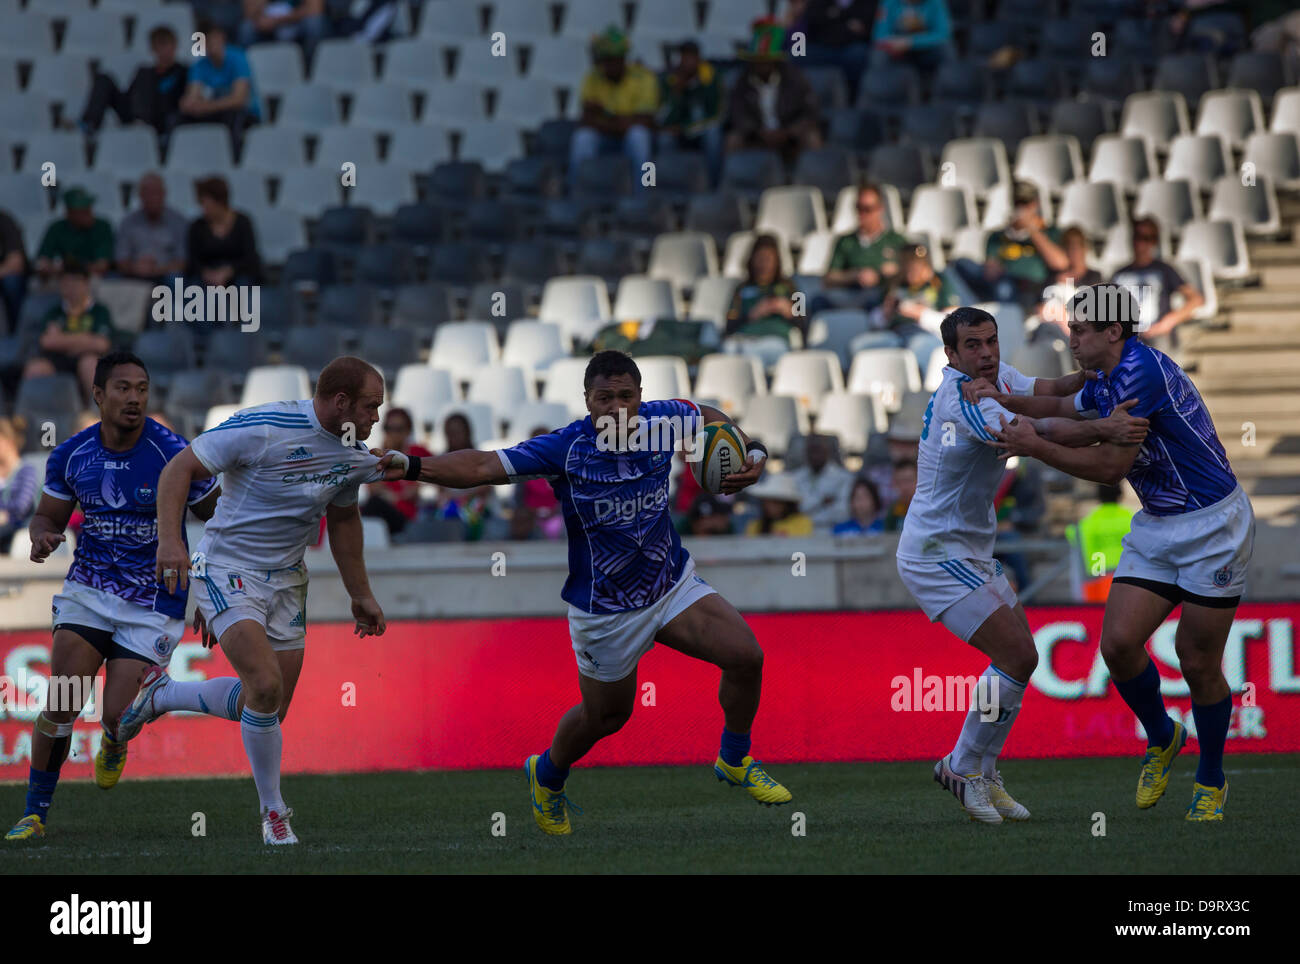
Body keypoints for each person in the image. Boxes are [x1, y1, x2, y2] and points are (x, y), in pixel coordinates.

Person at [377, 350, 791, 834]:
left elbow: (713, 417)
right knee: (607, 716)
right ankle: (548, 774)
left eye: (626, 396)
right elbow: (484, 466)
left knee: (747, 657)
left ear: (641, 397)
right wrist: (411, 467)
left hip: (669, 585)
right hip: (605, 609)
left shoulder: (665, 421)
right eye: (604, 398)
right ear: (587, 401)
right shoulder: (567, 447)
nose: (617, 408)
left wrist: (753, 454)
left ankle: (734, 759)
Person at [972, 284, 1255, 821]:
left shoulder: (1140, 373)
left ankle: (1212, 780)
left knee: (1197, 661)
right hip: (1159, 523)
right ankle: (1163, 736)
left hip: (1213, 526)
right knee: (1119, 647)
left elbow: (1107, 468)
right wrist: (1006, 403)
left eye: (1080, 330)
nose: (1071, 337)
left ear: (1113, 332)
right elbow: (1061, 407)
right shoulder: (1107, 375)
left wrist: (1032, 443)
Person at [896, 304, 1149, 824]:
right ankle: (961, 767)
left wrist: (1098, 369)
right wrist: (1110, 427)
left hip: (968, 549)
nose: (986, 354)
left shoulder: (994, 378)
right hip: (934, 554)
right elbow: (1041, 434)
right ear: (950, 354)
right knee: (1014, 655)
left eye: (990, 341)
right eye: (973, 345)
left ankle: (983, 773)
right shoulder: (961, 398)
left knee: (1023, 659)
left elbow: (1051, 390)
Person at [137, 356, 390, 845]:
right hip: (226, 568)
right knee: (265, 683)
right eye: (371, 406)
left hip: (287, 581)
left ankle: (164, 694)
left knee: (268, 706)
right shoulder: (264, 427)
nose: (376, 417)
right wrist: (171, 542)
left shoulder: (350, 452)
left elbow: (342, 520)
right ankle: (274, 814)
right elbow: (178, 469)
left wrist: (360, 593)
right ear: (341, 403)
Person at [4, 353, 220, 841]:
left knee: (118, 717)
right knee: (61, 701)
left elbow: (219, 519)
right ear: (98, 395)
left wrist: (212, 587)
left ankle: (115, 739)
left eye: (142, 389)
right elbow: (47, 518)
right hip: (89, 591)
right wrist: (41, 536)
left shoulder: (174, 453)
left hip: (154, 602)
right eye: (123, 388)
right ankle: (34, 813)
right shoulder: (70, 455)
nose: (134, 398)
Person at [954, 181, 1068, 313]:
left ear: (1036, 204)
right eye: (1017, 203)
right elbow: (990, 271)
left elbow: (1060, 263)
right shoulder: (997, 237)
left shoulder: (1049, 232)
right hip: (1004, 281)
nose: (1021, 209)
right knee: (962, 264)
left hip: (1034, 287)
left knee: (1004, 289)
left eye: (1026, 204)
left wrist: (1032, 230)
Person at [724, 19, 823, 165]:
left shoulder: (795, 79)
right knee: (733, 140)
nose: (761, 65)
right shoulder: (741, 83)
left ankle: (812, 178)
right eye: (758, 61)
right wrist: (757, 132)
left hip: (789, 136)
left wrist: (789, 131)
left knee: (812, 138)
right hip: (757, 136)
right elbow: (737, 113)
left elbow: (810, 111)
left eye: (766, 61)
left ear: (775, 61)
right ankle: (732, 182)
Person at [571, 26, 658, 185]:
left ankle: (644, 193)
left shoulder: (643, 77)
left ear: (623, 58)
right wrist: (620, 122)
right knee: (582, 138)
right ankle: (577, 190)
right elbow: (586, 119)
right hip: (606, 138)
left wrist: (604, 114)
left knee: (639, 136)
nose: (607, 65)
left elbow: (645, 121)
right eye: (604, 59)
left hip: (629, 138)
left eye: (611, 59)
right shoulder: (593, 77)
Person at [1110, 217, 1204, 358]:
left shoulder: (1164, 270)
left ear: (1154, 242)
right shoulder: (1119, 274)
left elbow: (1196, 299)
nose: (1140, 243)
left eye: (1146, 238)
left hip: (1157, 338)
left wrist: (1169, 321)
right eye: (1137, 237)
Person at [22, 264, 115, 403]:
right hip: (58, 359)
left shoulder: (100, 311)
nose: (71, 288)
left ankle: (99, 412)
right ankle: (29, 415)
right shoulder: (54, 312)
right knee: (35, 369)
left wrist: (62, 339)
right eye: (66, 283)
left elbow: (101, 344)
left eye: (75, 282)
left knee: (90, 364)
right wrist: (85, 338)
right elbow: (47, 342)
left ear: (86, 284)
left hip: (88, 357)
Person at [77, 24, 187, 136]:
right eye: (161, 45)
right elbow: (131, 96)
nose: (165, 50)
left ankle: (143, 120)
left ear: (175, 45)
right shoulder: (144, 72)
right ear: (153, 48)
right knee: (103, 79)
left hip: (161, 120)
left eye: (168, 44)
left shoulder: (183, 72)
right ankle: (89, 123)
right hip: (134, 116)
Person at [815, 182, 908, 312]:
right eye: (859, 208)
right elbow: (829, 278)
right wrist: (855, 276)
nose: (862, 214)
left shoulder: (896, 241)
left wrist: (893, 273)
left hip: (881, 298)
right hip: (851, 296)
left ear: (880, 209)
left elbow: (914, 275)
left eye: (868, 209)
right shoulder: (846, 241)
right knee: (817, 300)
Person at [179, 21, 262, 152]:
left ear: (221, 37)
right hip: (216, 112)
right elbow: (192, 95)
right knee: (179, 118)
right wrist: (189, 103)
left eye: (211, 39)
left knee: (233, 117)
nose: (209, 44)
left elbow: (239, 100)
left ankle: (233, 158)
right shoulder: (199, 65)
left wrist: (206, 106)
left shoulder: (238, 58)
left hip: (245, 115)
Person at [658, 40, 724, 186]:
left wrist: (689, 127)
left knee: (713, 133)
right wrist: (677, 93)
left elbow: (716, 115)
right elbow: (663, 119)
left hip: (701, 130)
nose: (688, 62)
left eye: (691, 57)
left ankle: (714, 184)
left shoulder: (710, 78)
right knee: (664, 139)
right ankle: (669, 186)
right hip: (678, 132)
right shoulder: (670, 80)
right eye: (684, 57)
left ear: (698, 58)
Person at [360, 407, 431, 537]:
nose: (393, 433)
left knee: (372, 505)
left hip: (409, 516)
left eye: (398, 429)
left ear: (408, 431)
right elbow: (373, 488)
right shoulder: (377, 454)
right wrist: (400, 496)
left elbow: (435, 474)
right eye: (388, 428)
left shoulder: (418, 452)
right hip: (386, 513)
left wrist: (417, 487)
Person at [725, 234, 804, 345]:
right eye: (760, 258)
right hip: (745, 339)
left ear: (777, 261)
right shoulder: (741, 289)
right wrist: (751, 315)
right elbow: (729, 324)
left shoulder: (791, 287)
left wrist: (789, 312)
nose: (764, 264)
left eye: (769, 259)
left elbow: (805, 323)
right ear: (752, 260)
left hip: (778, 339)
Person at [186, 176, 263, 287]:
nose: (203, 208)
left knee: (243, 286)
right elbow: (193, 261)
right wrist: (207, 273)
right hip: (206, 278)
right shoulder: (197, 227)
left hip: (237, 275)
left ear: (220, 202)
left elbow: (250, 258)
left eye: (206, 203)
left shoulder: (243, 223)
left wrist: (228, 272)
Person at [1065, 482, 1135, 603]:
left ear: (1098, 496)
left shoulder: (1087, 523)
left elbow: (1071, 533)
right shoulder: (1132, 519)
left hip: (1098, 577)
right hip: (1129, 578)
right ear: (1120, 495)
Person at [115, 173, 188, 283]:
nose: (152, 198)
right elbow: (121, 260)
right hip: (135, 274)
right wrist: (135, 267)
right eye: (147, 193)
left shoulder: (178, 222)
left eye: (156, 193)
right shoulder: (128, 223)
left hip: (166, 275)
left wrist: (157, 270)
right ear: (140, 196)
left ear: (164, 194)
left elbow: (183, 261)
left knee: (177, 280)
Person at [1034, 226, 1102, 343]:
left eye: (1077, 246)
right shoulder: (1052, 278)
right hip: (1052, 333)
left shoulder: (1094, 277)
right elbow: (1038, 308)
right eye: (1069, 247)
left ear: (1085, 249)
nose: (1073, 252)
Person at [34, 188, 114, 282]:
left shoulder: (102, 227)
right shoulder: (57, 228)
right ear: (69, 213)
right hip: (63, 277)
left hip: (92, 278)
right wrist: (48, 267)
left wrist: (72, 268)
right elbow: (41, 262)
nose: (89, 213)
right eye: (83, 211)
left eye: (88, 208)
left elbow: (101, 266)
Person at [791, 434, 854, 529]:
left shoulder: (844, 478)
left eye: (818, 450)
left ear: (828, 452)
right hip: (800, 531)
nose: (814, 455)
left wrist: (807, 509)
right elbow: (793, 512)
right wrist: (822, 502)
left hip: (833, 530)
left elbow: (843, 514)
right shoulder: (794, 477)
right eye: (811, 451)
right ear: (806, 453)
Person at [871, 0, 954, 71]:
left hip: (926, 49)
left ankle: (947, 86)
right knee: (878, 54)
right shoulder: (889, 2)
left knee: (946, 49)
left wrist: (911, 42)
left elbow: (944, 34)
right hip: (896, 51)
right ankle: (880, 88)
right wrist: (894, 43)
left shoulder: (936, 2)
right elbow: (879, 35)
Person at [239, 0, 328, 61]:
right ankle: (251, 73)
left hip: (296, 22)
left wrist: (279, 20)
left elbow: (315, 8)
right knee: (247, 27)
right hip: (268, 26)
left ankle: (310, 72)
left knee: (314, 23)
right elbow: (249, 12)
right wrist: (260, 18)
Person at [0, 416, 38, 554]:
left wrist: (5, 514)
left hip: (17, 531)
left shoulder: (26, 471)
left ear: (9, 442)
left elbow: (21, 506)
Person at [744, 472, 814, 536]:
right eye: (767, 501)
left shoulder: (802, 523)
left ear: (787, 504)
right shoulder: (754, 526)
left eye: (776, 502)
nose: (770, 506)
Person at [0, 206, 27, 331]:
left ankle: (15, 332)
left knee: (11, 282)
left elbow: (16, 263)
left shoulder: (4, 221)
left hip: (4, 276)